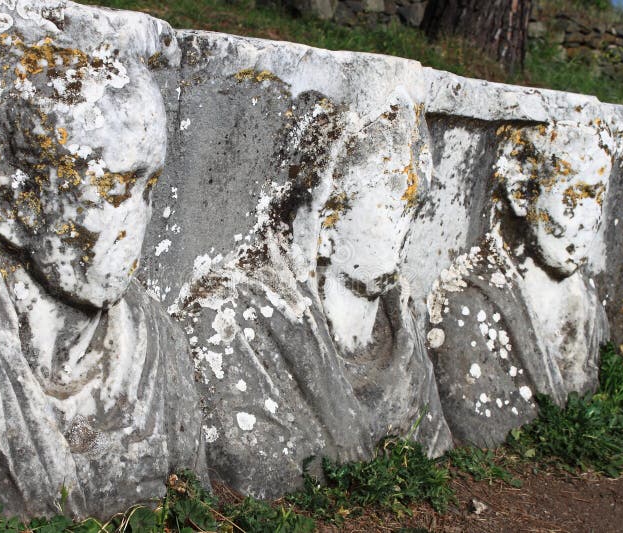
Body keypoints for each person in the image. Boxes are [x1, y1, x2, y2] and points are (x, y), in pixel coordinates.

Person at [0, 27, 204, 522]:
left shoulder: (157, 344)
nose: (137, 220)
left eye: (148, 188)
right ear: (12, 210)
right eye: (112, 190)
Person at [176, 88, 452, 498]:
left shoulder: (403, 327)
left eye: (414, 209)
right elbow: (255, 470)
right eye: (394, 208)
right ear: (327, 222)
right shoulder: (238, 325)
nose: (405, 231)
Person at [427, 121, 611, 447]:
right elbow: (480, 429)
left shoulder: (587, 302)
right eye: (573, 197)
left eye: (597, 197)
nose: (590, 220)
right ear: (521, 194)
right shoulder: (467, 304)